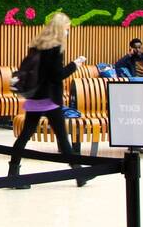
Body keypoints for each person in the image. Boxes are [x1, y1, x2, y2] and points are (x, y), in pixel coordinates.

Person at [7, 13, 88, 188]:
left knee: (25, 134)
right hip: (50, 98)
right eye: (67, 28)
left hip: (35, 97)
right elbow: (57, 76)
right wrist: (75, 65)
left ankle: (13, 172)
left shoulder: (37, 45)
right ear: (60, 29)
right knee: (62, 137)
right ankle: (79, 174)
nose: (68, 31)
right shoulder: (56, 48)